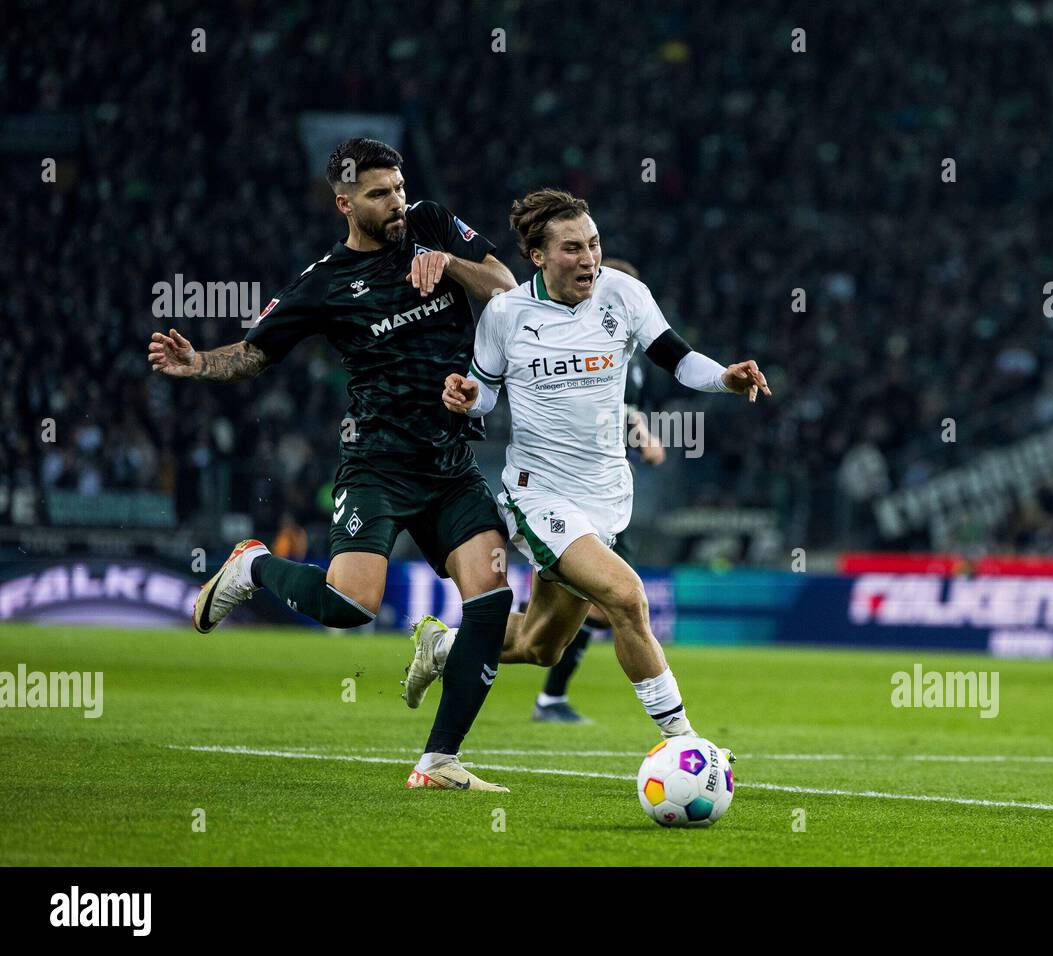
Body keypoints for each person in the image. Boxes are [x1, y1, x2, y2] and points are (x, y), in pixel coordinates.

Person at [147, 138, 518, 790]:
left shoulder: (432, 224)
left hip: (452, 463)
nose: (397, 203)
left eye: (399, 189)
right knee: (352, 604)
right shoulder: (324, 282)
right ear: (345, 203)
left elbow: (506, 288)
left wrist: (447, 261)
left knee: (489, 600)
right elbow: (257, 352)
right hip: (378, 463)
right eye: (380, 194)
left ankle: (438, 761)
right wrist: (198, 364)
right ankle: (252, 566)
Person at [402, 188, 769, 739]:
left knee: (541, 645)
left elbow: (678, 357)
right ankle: (684, 744)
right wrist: (464, 396)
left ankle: (444, 644)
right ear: (539, 257)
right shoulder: (505, 314)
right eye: (573, 248)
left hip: (605, 496)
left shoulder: (622, 294)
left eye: (594, 244)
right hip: (538, 492)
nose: (589, 259)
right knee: (626, 596)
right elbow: (484, 394)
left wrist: (724, 378)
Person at [532, 257, 665, 724]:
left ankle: (453, 646)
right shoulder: (581, 342)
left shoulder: (635, 357)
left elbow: (626, 406)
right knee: (611, 603)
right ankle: (551, 699)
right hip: (574, 491)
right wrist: (640, 433)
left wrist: (640, 429)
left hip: (608, 493)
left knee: (561, 626)